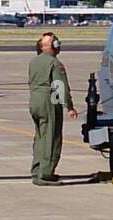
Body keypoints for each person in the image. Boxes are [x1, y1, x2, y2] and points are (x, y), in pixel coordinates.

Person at [28, 32, 77, 186]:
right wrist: (68, 106)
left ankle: (37, 170)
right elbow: (59, 86)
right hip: (48, 100)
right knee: (51, 138)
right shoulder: (55, 63)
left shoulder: (34, 62)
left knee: (40, 137)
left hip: (34, 99)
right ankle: (45, 174)